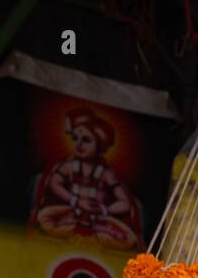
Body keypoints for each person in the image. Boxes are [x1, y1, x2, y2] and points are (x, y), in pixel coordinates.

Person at [32, 106, 142, 249]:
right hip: (71, 215)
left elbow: (125, 203)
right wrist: (75, 201)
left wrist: (103, 210)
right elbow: (54, 183)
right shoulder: (70, 166)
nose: (79, 144)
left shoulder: (105, 173)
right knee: (44, 219)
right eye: (75, 138)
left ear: (99, 144)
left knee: (128, 239)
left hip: (98, 221)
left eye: (86, 140)